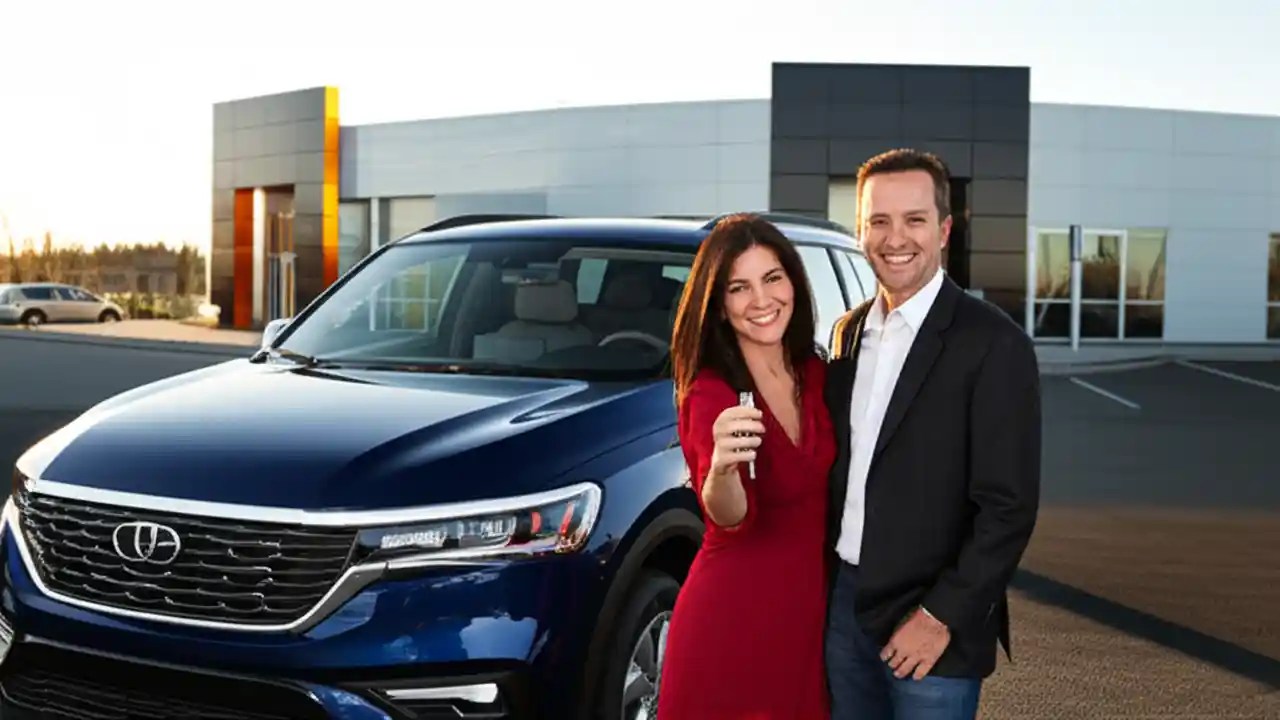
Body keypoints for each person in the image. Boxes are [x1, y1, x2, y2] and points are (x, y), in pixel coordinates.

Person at [822, 148, 1042, 719]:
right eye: (879, 220)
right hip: (844, 609)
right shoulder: (848, 334)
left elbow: (1008, 507)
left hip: (933, 622)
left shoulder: (994, 344)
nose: (895, 238)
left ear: (944, 230)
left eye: (914, 220)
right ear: (861, 231)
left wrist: (941, 616)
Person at [657, 214, 835, 719]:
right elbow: (728, 517)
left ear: (793, 283)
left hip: (808, 617)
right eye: (739, 287)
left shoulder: (816, 374)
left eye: (772, 278)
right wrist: (721, 471)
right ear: (719, 304)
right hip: (733, 618)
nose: (761, 300)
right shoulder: (711, 393)